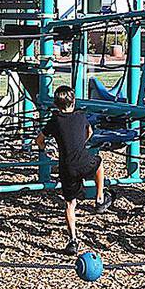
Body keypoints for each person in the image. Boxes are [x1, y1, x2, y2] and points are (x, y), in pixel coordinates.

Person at [35, 85, 113, 253]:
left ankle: (73, 240)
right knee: (99, 163)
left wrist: (44, 149)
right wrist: (80, 143)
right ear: (74, 101)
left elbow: (39, 140)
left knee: (70, 204)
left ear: (56, 105)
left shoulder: (54, 121)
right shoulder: (81, 116)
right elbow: (90, 131)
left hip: (67, 167)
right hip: (84, 161)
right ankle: (99, 198)